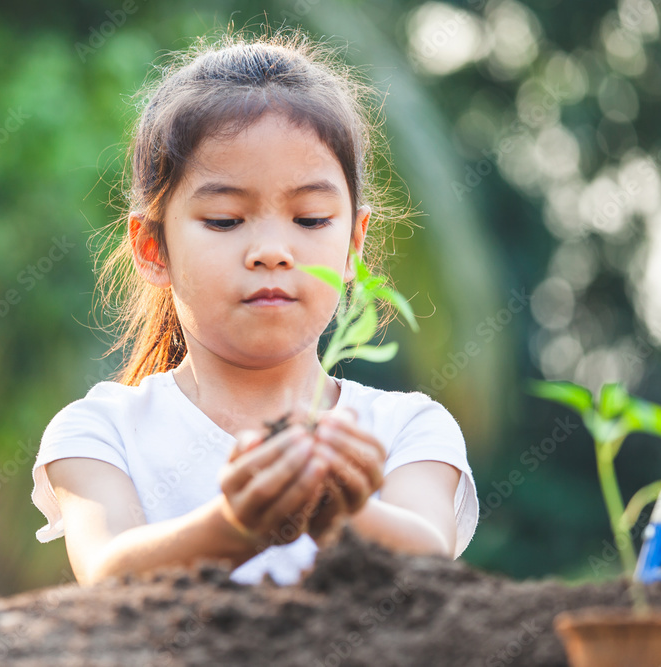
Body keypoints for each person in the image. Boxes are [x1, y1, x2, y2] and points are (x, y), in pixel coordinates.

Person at [30, 28, 478, 587]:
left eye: (311, 219)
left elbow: (429, 566)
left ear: (353, 247)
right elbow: (108, 575)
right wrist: (237, 525)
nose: (271, 251)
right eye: (224, 220)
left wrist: (343, 515)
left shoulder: (408, 429)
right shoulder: (101, 432)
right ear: (152, 247)